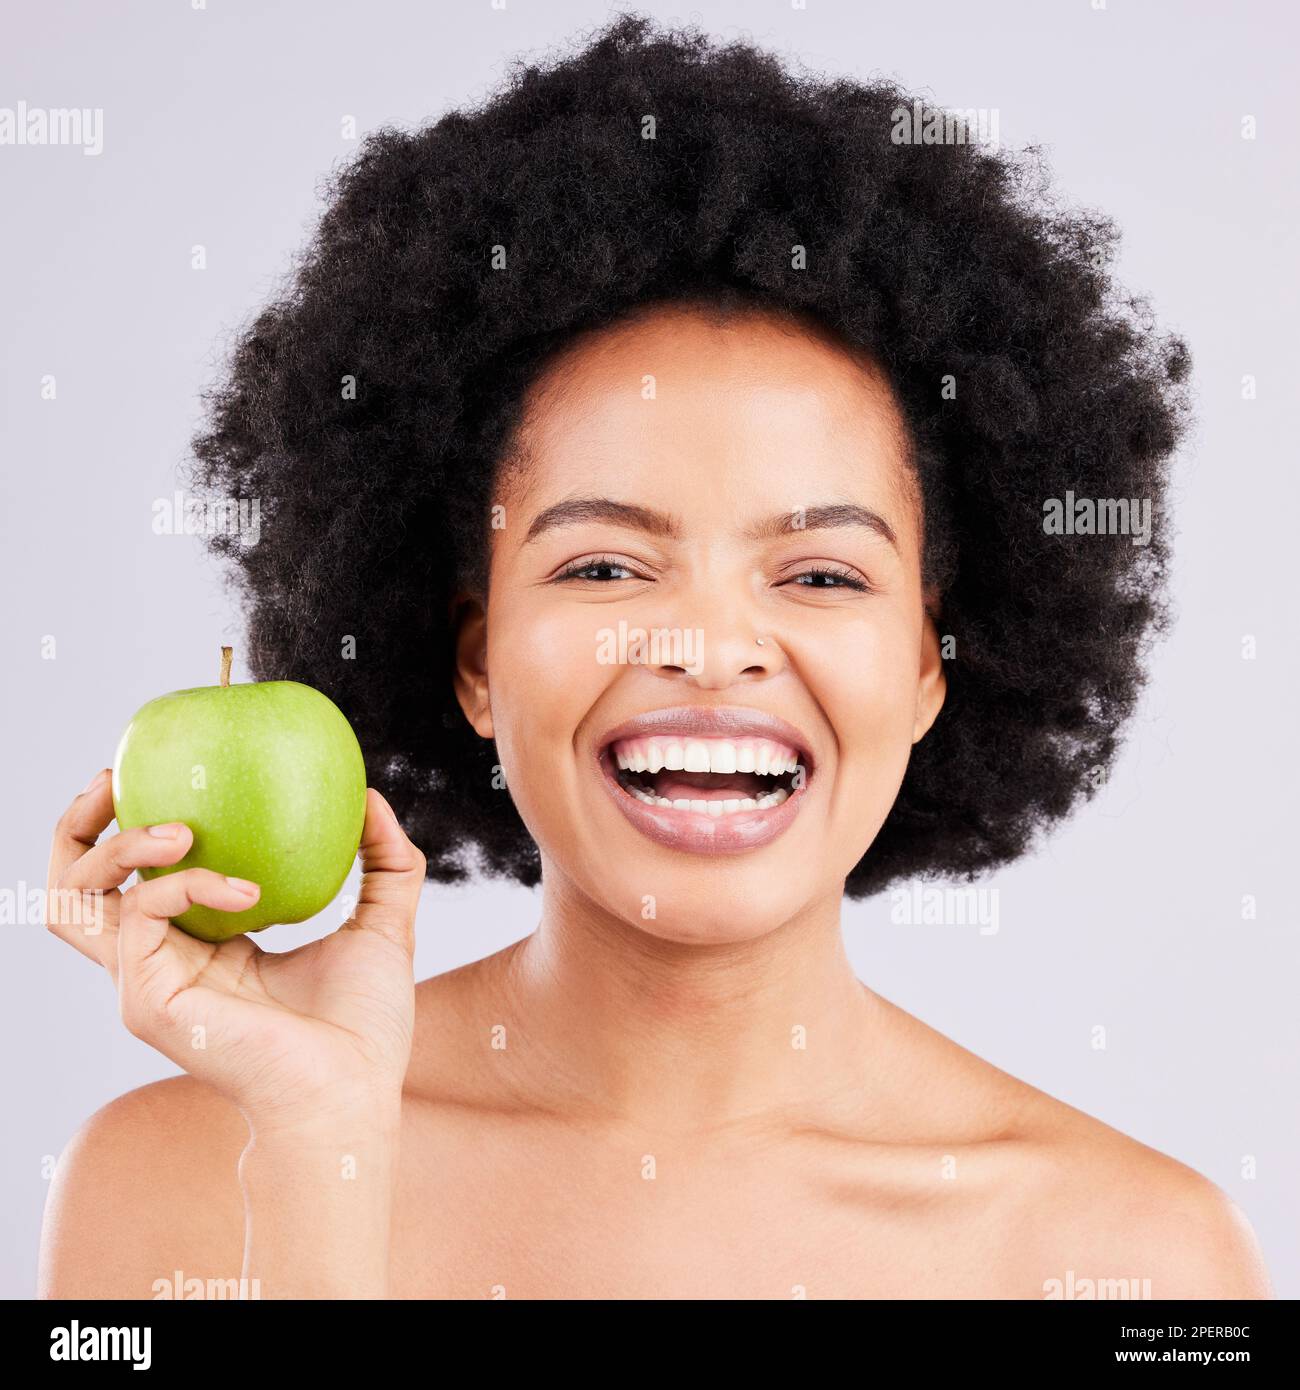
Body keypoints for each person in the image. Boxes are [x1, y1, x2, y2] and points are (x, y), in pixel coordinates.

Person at [39, 14, 1270, 1299]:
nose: (707, 647)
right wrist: (317, 1142)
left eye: (820, 575)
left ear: (927, 665)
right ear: (472, 656)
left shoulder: (1145, 1262)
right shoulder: (167, 1179)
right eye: (606, 566)